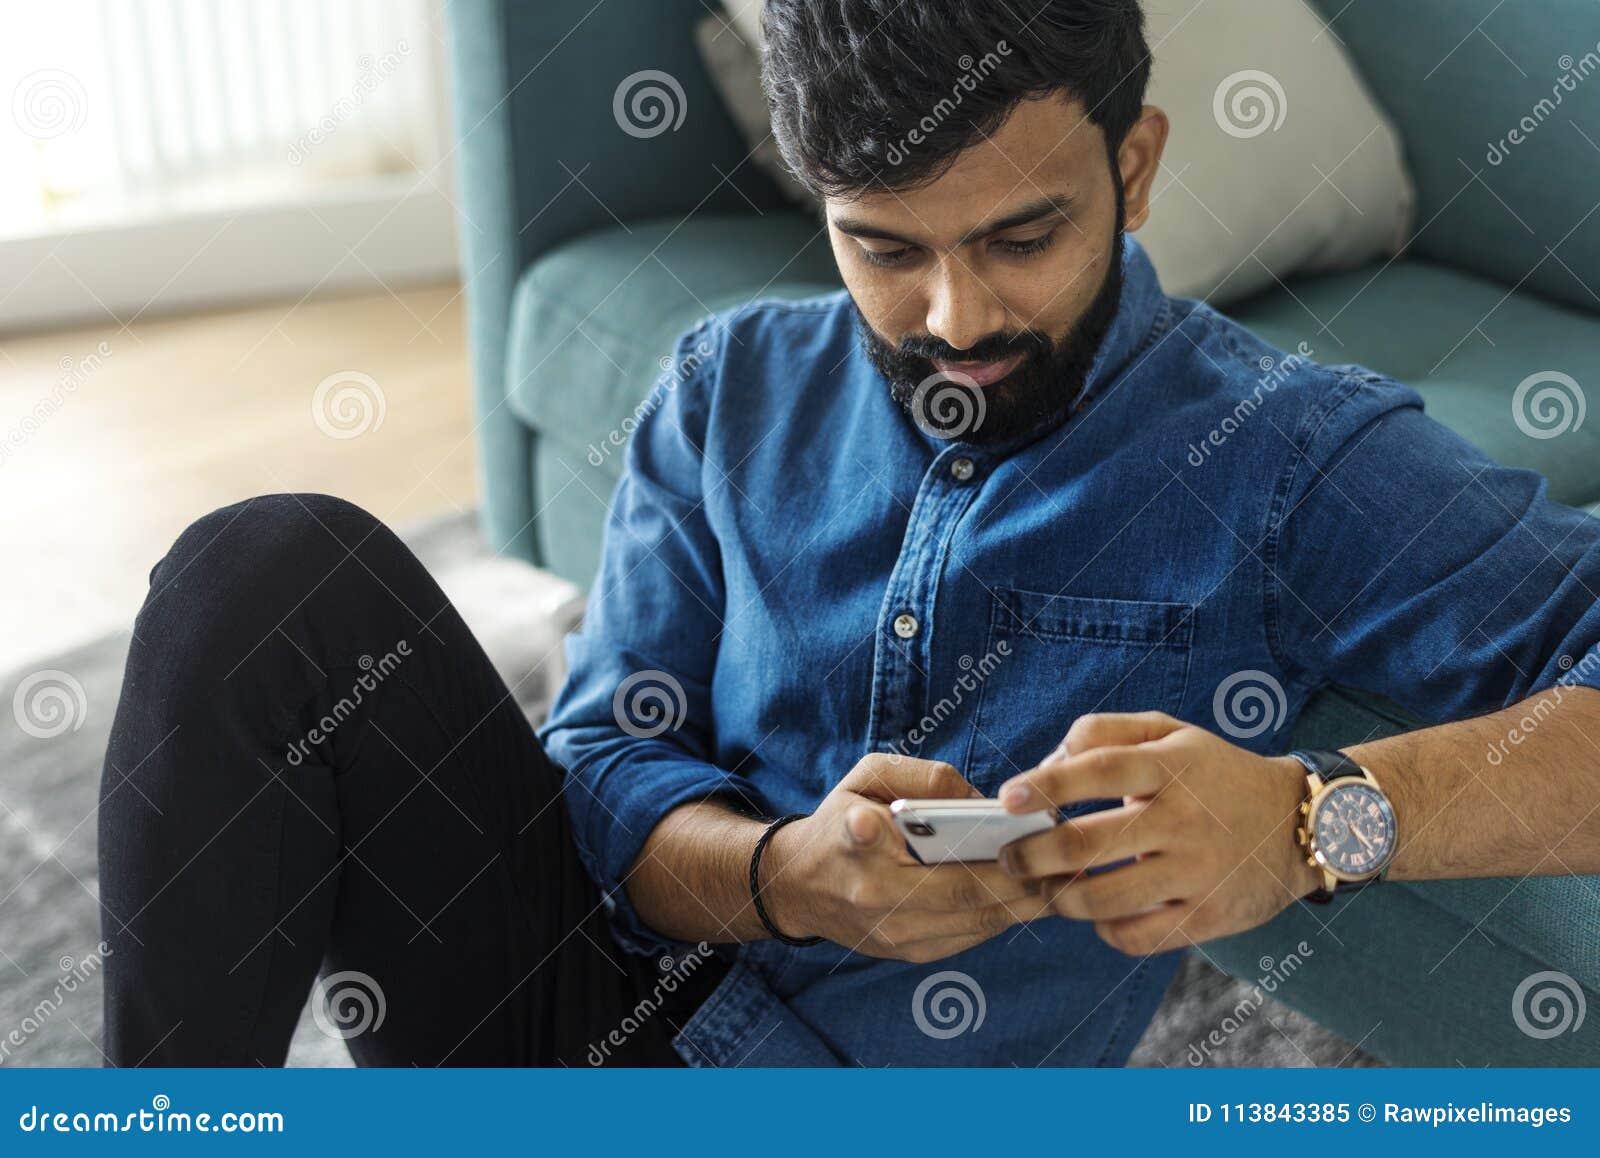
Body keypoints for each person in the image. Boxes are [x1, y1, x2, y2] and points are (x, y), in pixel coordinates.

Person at [100, 0, 1600, 1067]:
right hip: (566, 1023)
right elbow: (609, 767)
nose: (956, 321)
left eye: (1024, 238)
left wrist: (1299, 821)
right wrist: (782, 874)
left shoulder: (1282, 448)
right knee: (268, 569)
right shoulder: (726, 387)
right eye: (885, 247)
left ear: (1133, 166)